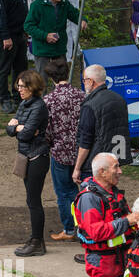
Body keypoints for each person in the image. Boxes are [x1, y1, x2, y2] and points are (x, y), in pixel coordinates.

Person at [6, 69, 50, 258]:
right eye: (19, 86)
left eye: (23, 86)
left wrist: (17, 127)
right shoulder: (24, 104)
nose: (19, 89)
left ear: (32, 87)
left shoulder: (39, 107)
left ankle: (37, 241)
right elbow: (11, 130)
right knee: (30, 200)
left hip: (37, 158)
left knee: (33, 201)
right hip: (25, 156)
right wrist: (17, 127)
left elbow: (22, 133)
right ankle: (35, 239)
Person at [41, 58, 82, 242]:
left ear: (52, 78)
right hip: (82, 151)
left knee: (64, 193)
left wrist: (49, 144)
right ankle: (83, 225)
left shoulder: (49, 100)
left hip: (60, 152)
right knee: (81, 191)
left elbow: (47, 129)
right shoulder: (81, 96)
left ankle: (69, 229)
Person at [72, 65, 131, 183]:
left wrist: (77, 168)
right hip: (114, 159)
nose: (84, 84)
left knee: (93, 197)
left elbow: (85, 141)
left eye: (84, 80)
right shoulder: (119, 99)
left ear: (91, 81)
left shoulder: (90, 105)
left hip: (95, 164)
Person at [24, 0, 87, 75]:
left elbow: (75, 14)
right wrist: (45, 36)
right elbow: (28, 26)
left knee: (60, 78)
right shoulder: (37, 5)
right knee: (42, 80)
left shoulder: (64, 3)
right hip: (42, 50)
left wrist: (82, 20)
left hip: (59, 48)